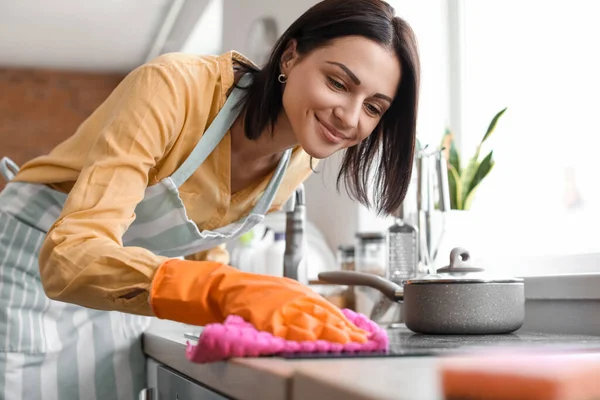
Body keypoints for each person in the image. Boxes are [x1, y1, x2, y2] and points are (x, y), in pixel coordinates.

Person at [0, 0, 420, 398]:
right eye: (337, 83)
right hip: (32, 261)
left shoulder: (298, 165)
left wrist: (247, 305)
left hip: (115, 284)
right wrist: (227, 291)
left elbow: (204, 230)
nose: (349, 116)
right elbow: (68, 259)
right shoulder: (172, 89)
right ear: (290, 56)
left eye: (374, 108)